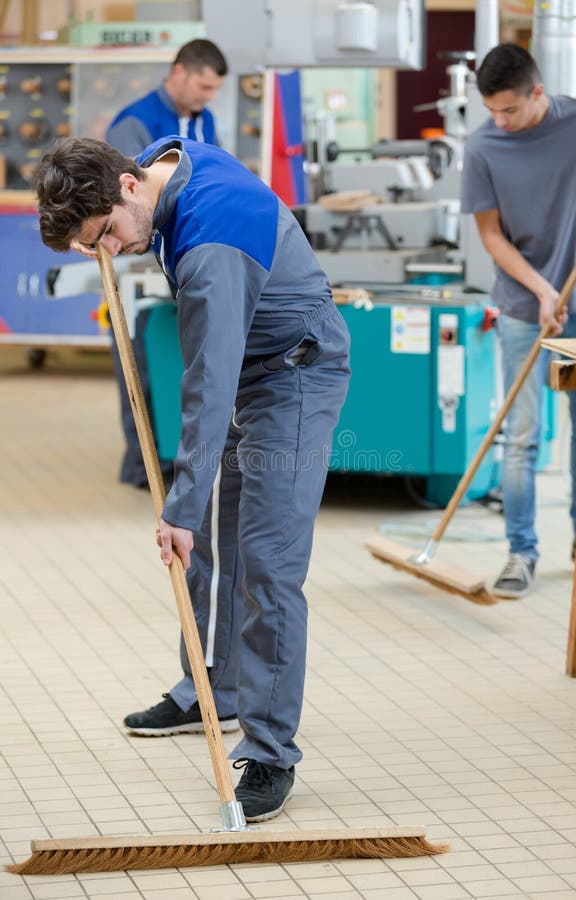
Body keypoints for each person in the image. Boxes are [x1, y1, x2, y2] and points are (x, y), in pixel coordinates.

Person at [35, 135, 351, 822]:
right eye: (96, 247)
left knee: (266, 562)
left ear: (127, 186)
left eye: (107, 235)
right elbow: (215, 373)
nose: (111, 251)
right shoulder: (166, 158)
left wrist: (177, 507)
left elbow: (206, 385)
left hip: (295, 377)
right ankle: (212, 690)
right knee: (220, 546)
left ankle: (269, 754)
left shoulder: (211, 243)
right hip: (252, 371)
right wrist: (188, 510)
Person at [461, 43, 576, 599]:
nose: (501, 121)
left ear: (538, 93)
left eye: (510, 110)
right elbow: (491, 236)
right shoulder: (483, 146)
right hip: (522, 307)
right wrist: (542, 289)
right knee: (520, 436)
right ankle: (521, 553)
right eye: (493, 111)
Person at [106, 39, 228, 489]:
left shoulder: (205, 120)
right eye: (203, 85)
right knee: (138, 364)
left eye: (214, 89)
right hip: (137, 264)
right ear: (179, 72)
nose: (207, 96)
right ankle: (143, 468)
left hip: (185, 261)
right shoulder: (135, 123)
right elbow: (123, 204)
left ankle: (183, 463)